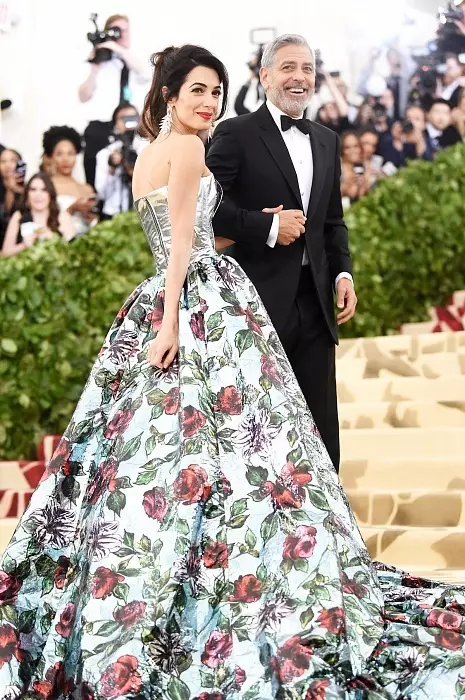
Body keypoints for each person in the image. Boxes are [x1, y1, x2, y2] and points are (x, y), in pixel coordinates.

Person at [1, 42, 465, 700]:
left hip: (167, 295)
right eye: (196, 89)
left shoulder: (151, 156)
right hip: (199, 302)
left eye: (214, 90)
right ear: (167, 93)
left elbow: (176, 231)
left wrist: (244, 244)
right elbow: (187, 241)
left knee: (160, 453)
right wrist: (170, 323)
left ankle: (163, 574)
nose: (207, 101)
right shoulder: (190, 150)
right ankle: (245, 574)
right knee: (242, 446)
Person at [207, 34, 356, 471]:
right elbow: (206, 209)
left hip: (316, 302)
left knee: (322, 430)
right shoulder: (235, 132)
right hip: (256, 301)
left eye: (307, 68)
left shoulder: (327, 140)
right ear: (265, 75)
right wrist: (267, 226)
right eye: (289, 67)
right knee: (261, 427)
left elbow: (332, 222)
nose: (299, 77)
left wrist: (342, 275)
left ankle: (330, 533)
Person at [78, 13, 151, 186]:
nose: (123, 35)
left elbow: (146, 74)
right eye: (117, 30)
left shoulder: (133, 58)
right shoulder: (97, 60)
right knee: (97, 170)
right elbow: (83, 96)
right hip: (102, 126)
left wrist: (119, 50)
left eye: (126, 30)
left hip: (131, 123)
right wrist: (95, 68)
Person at [43, 125, 99, 237]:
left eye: (70, 153)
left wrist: (92, 219)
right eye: (59, 154)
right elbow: (43, 220)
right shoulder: (46, 185)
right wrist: (71, 209)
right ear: (51, 157)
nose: (65, 159)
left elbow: (94, 224)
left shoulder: (86, 188)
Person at [1, 172, 74, 256]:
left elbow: (71, 250)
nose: (38, 195)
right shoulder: (19, 216)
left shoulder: (61, 215)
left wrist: (51, 239)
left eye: (44, 190)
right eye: (33, 189)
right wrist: (24, 245)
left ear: (50, 194)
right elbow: (5, 253)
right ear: (27, 194)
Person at [95, 103, 147, 218]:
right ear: (115, 125)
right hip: (114, 214)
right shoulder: (105, 155)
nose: (128, 123)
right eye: (123, 119)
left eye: (132, 118)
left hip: (143, 214)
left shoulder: (149, 148)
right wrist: (112, 168)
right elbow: (102, 195)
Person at [0, 148, 25, 246]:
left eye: (12, 160)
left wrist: (14, 188)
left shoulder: (29, 188)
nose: (8, 165)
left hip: (21, 244)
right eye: (3, 161)